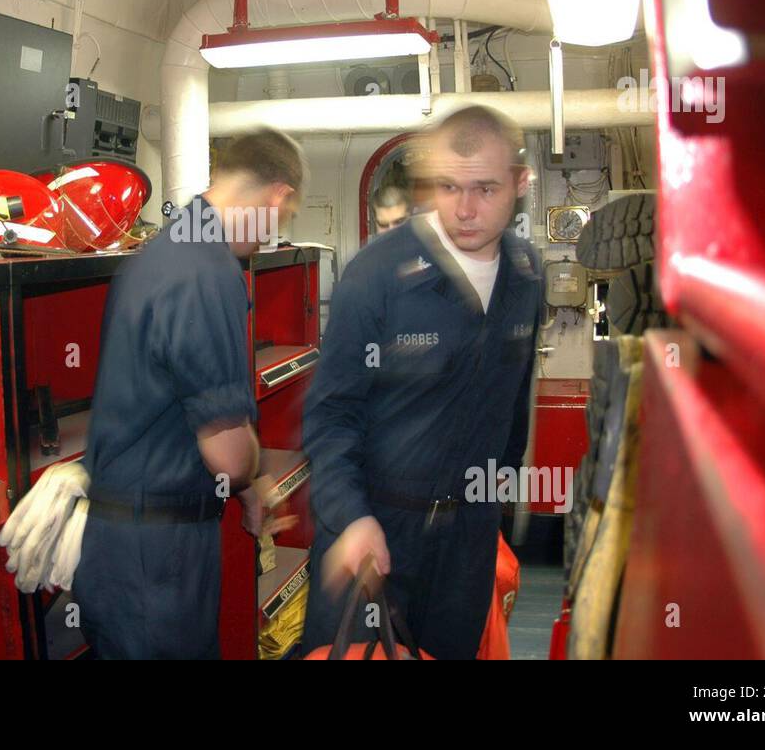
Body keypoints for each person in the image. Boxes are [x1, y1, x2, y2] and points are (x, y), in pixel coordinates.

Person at [301, 106, 543, 658]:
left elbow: (514, 403)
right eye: (449, 187)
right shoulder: (377, 275)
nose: (464, 209)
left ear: (520, 184)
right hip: (377, 530)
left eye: (485, 188)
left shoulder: (526, 274)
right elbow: (332, 415)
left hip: (468, 541)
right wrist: (352, 518)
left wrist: (495, 500)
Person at [72, 128, 304, 659]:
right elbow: (226, 453)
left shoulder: (167, 251)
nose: (272, 234)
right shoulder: (207, 272)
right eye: (282, 218)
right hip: (157, 560)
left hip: (127, 542)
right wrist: (250, 475)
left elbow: (178, 400)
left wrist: (247, 489)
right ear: (277, 196)